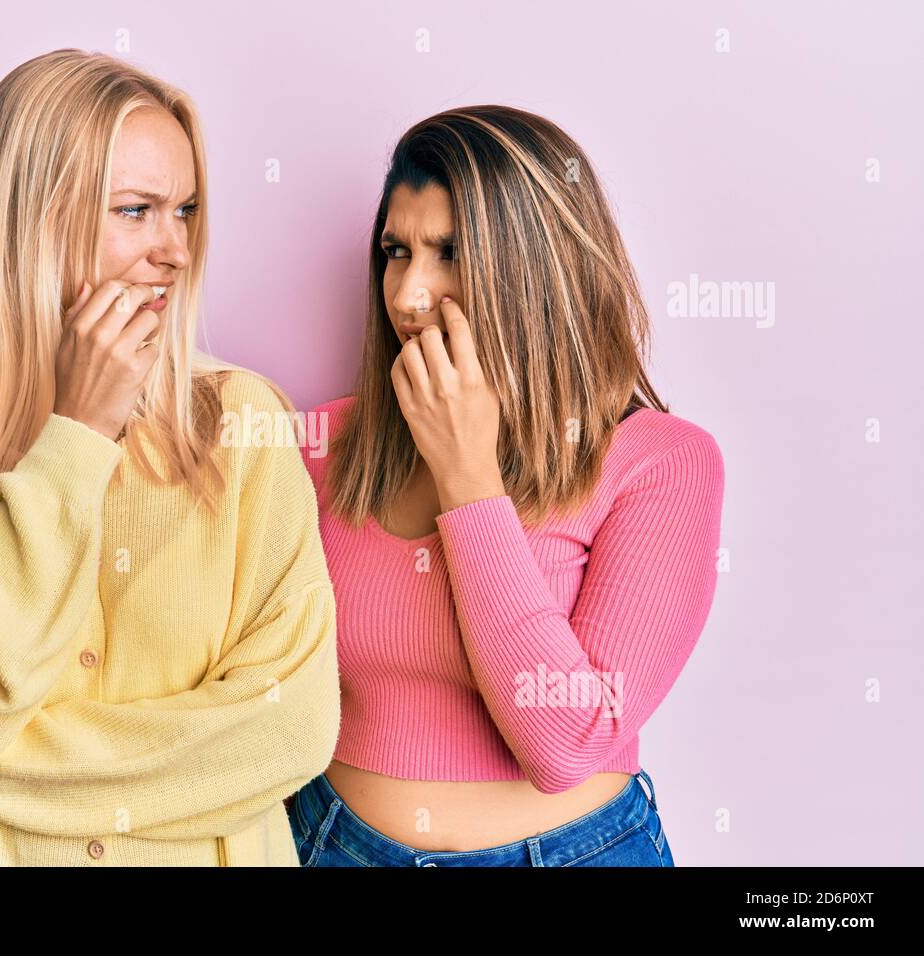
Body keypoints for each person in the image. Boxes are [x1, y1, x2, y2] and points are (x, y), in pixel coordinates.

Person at [0, 48, 340, 866]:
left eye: (185, 210)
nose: (175, 249)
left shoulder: (245, 422)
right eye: (137, 210)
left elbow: (290, 729)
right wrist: (73, 437)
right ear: (35, 220)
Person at [286, 105, 725, 867]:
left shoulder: (660, 463)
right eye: (396, 251)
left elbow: (566, 744)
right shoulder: (324, 445)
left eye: (449, 252)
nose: (410, 295)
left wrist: (468, 479)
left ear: (534, 267)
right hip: (331, 844)